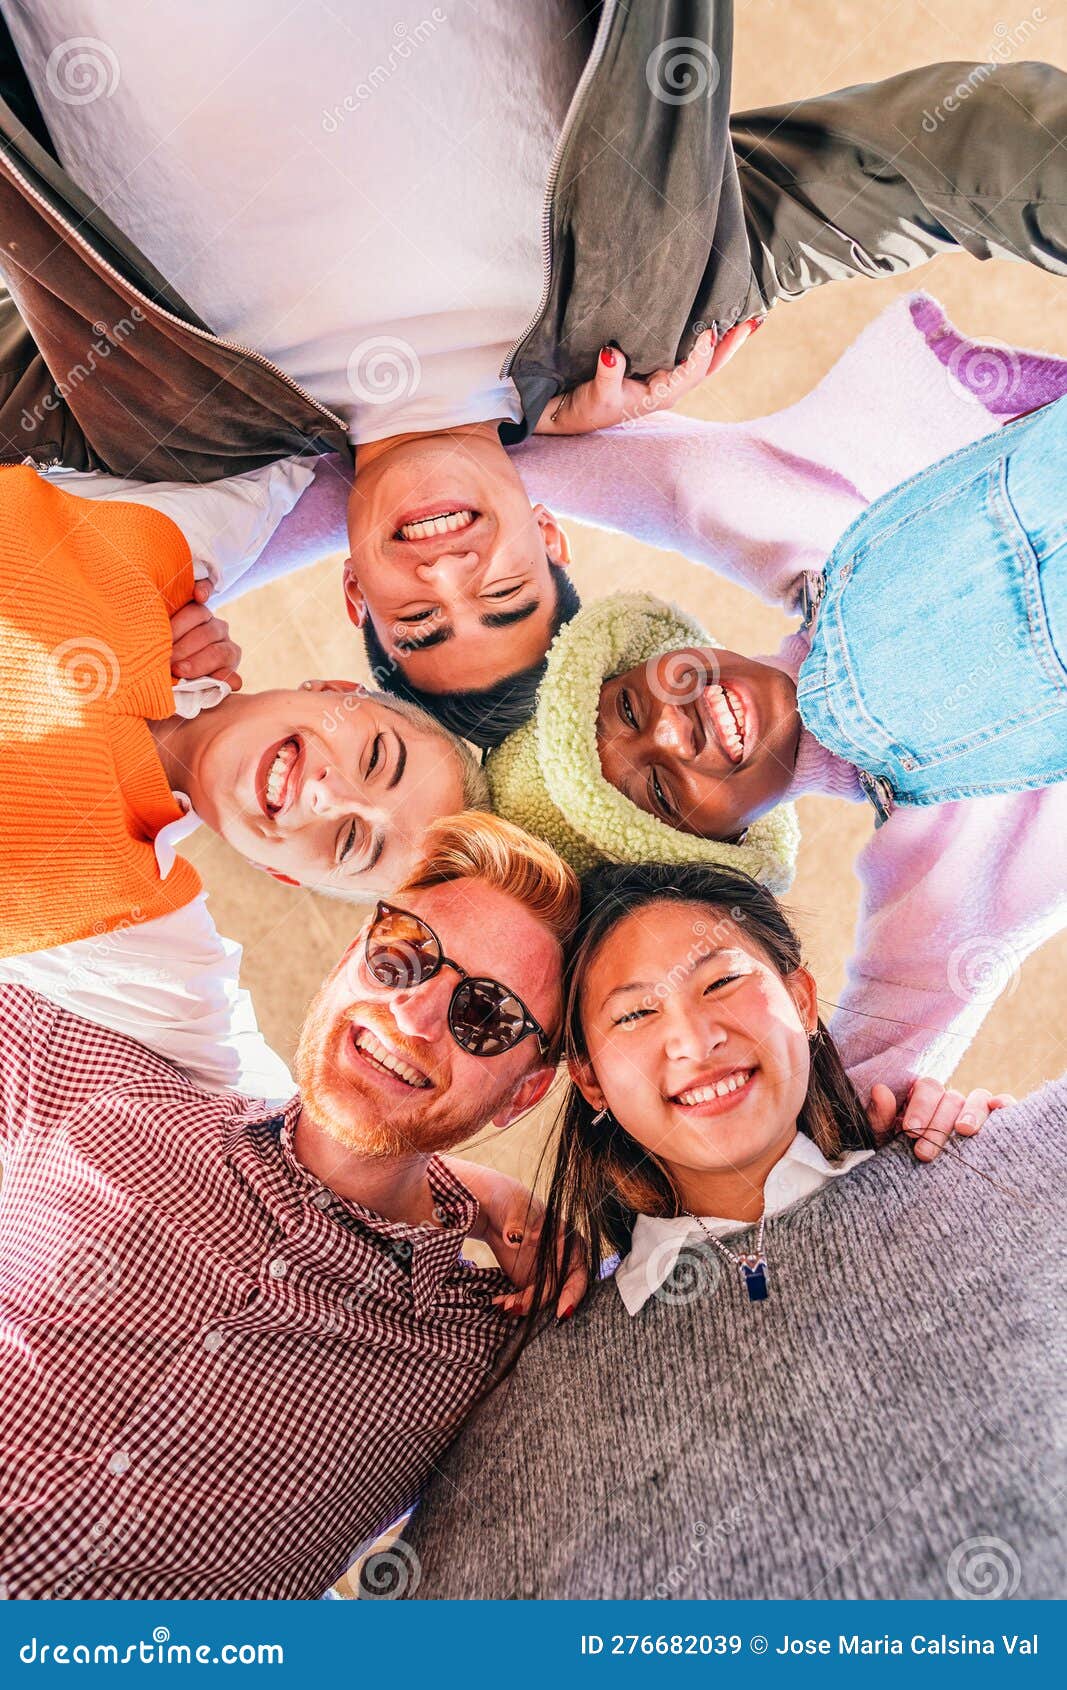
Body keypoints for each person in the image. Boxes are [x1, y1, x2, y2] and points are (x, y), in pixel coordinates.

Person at [1, 5, 1065, 736]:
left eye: (418, 623)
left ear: (354, 591)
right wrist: (617, 361)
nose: (450, 578)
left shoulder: (162, 435)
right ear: (544, 533)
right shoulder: (648, 314)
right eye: (503, 594)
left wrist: (95, 624)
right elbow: (954, 159)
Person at [397, 863, 1063, 1602]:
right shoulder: (523, 1404)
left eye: (720, 983)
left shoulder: (1021, 1160)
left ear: (801, 999)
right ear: (588, 1082)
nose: (693, 1038)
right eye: (633, 1015)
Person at [0, 813, 584, 1601]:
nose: (411, 1019)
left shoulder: (495, 1358)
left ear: (523, 1093)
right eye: (403, 955)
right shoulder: (106, 1087)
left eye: (484, 1016)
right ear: (351, 957)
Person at [0, 461, 486, 1092]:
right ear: (341, 691)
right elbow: (319, 413)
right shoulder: (176, 540)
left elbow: (253, 1116)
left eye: (350, 842)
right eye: (373, 759)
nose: (329, 793)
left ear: (282, 873)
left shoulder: (135, 923)